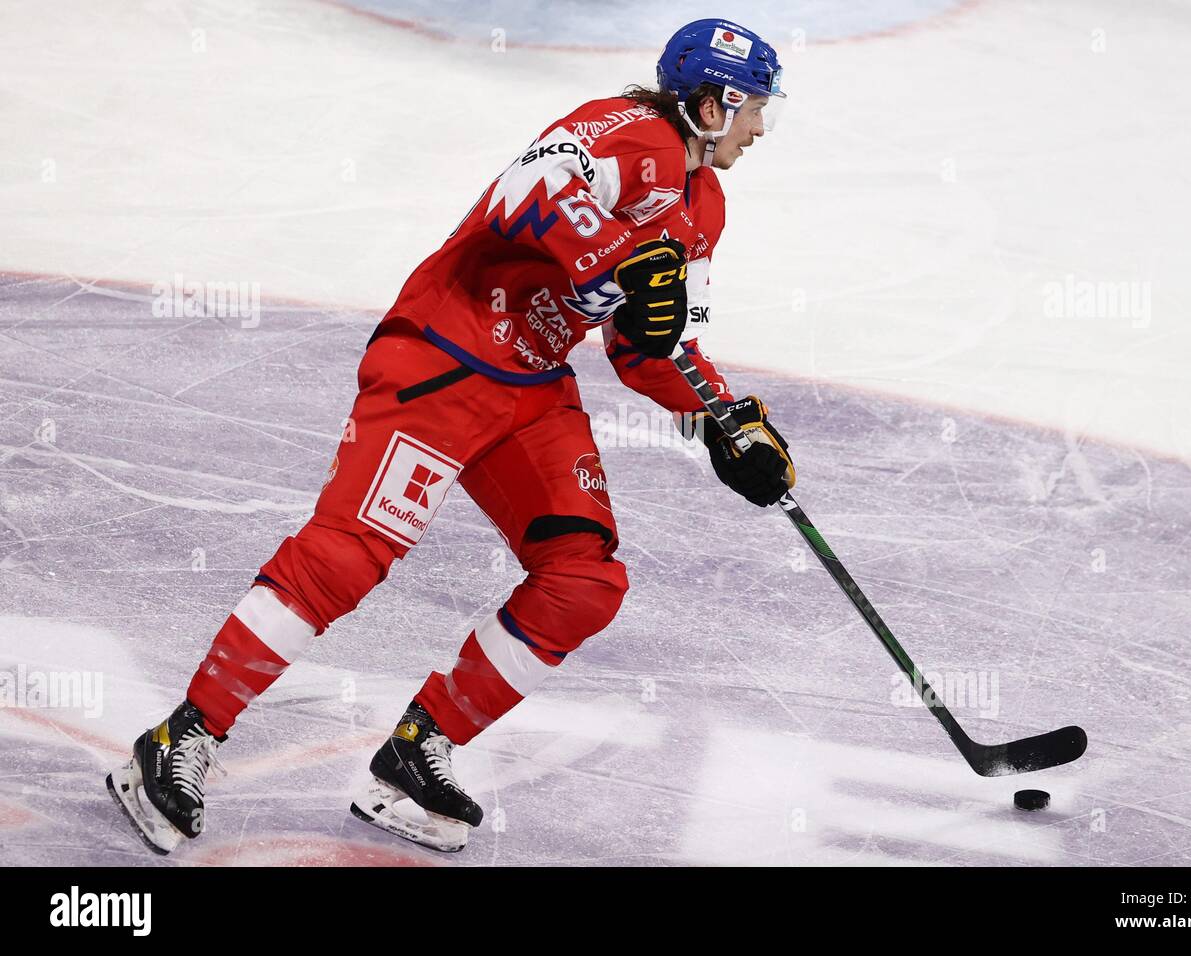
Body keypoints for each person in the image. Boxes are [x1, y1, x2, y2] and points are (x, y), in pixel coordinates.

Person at [107, 18, 796, 854]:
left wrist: (725, 422)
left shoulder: (705, 207)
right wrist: (617, 257)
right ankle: (181, 740)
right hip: (446, 352)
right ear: (713, 103)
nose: (762, 128)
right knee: (347, 554)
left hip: (534, 387)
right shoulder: (628, 132)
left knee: (584, 580)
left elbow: (654, 345)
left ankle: (414, 752)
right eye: (756, 108)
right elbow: (528, 190)